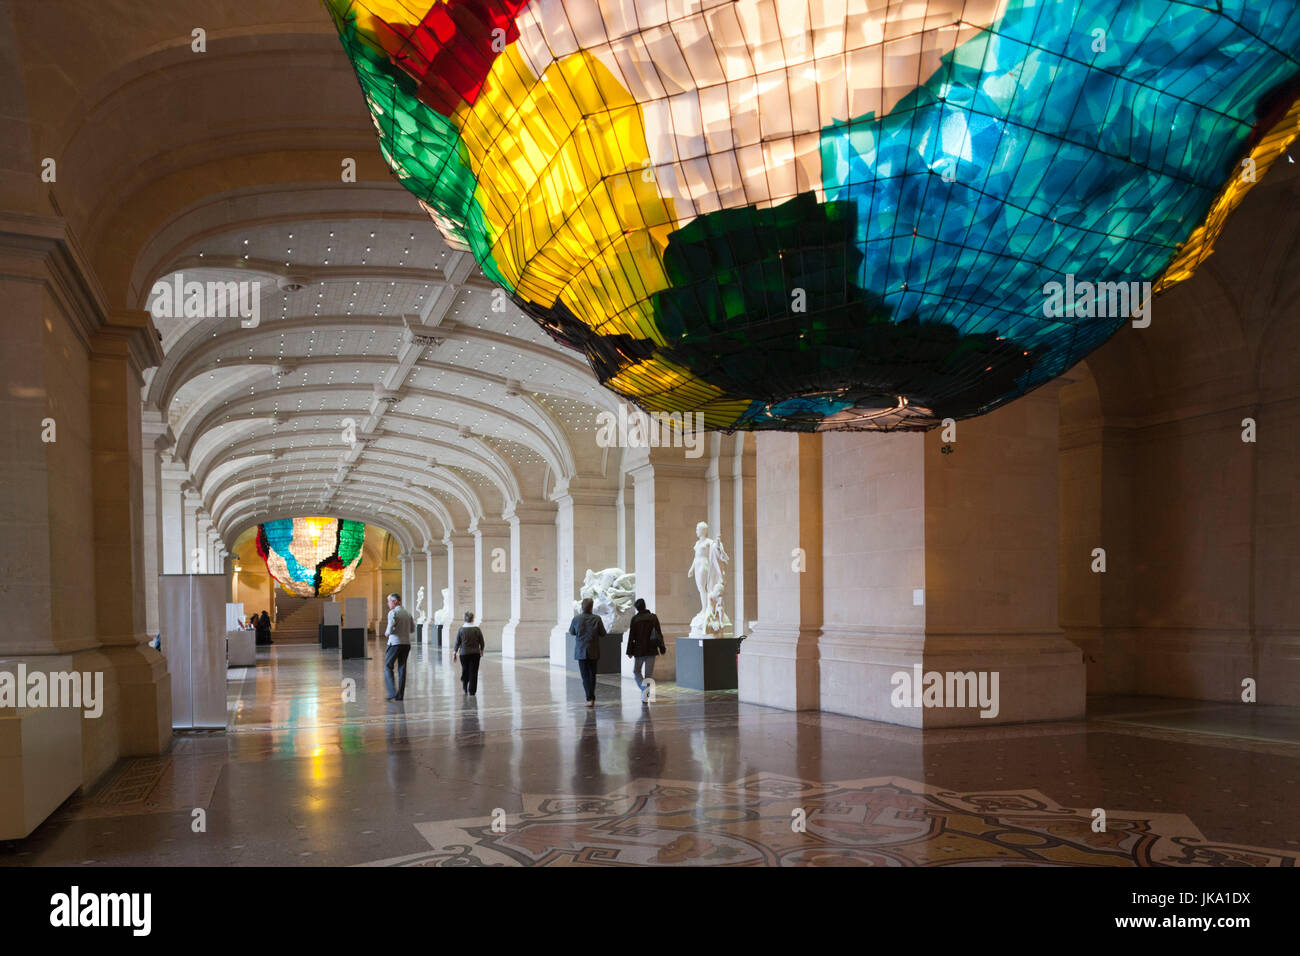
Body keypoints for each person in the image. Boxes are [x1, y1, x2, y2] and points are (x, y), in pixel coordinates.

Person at [625, 598, 666, 702]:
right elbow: (659, 634)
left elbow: (631, 636)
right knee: (649, 674)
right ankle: (645, 695)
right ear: (645, 605)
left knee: (636, 671)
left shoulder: (635, 619)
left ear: (637, 608)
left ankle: (644, 690)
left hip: (639, 650)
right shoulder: (653, 617)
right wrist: (662, 648)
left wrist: (629, 651)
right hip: (651, 649)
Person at [568, 597, 606, 707]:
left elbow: (572, 632)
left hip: (581, 651)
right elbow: (603, 633)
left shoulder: (576, 619)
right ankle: (591, 697)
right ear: (592, 607)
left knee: (585, 676)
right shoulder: (597, 618)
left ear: (582, 607)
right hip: (593, 650)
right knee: (592, 675)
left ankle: (589, 698)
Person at [383, 592, 414, 701]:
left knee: (388, 666)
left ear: (395, 601)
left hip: (395, 643)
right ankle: (400, 695)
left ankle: (392, 692)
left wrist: (387, 633)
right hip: (406, 644)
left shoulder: (393, 612)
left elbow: (390, 627)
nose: (388, 604)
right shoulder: (408, 613)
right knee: (402, 668)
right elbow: (412, 629)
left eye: (389, 601)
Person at [452, 610, 485, 696]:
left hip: (464, 654)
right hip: (475, 654)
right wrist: (481, 650)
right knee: (474, 672)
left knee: (465, 669)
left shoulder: (461, 630)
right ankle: (472, 690)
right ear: (472, 618)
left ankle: (464, 684)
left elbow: (457, 642)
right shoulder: (477, 629)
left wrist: (454, 653)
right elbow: (482, 641)